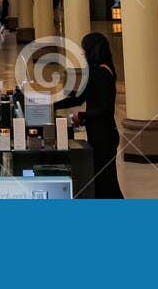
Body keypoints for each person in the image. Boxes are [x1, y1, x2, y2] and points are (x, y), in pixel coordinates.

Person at [53, 32, 124, 198]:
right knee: (105, 180)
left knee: (105, 182)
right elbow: (80, 97)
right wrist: (53, 104)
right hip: (103, 133)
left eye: (84, 48)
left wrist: (82, 116)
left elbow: (104, 109)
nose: (82, 52)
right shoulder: (103, 70)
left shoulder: (100, 73)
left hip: (103, 135)